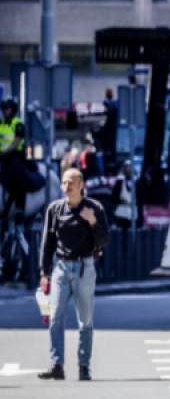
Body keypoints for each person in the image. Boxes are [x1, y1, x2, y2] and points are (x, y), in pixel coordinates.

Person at [38, 168, 110, 381]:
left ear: (81, 185)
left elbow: (105, 239)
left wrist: (92, 221)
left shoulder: (94, 208)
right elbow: (47, 242)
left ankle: (84, 366)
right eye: (64, 182)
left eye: (72, 182)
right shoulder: (55, 209)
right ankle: (56, 365)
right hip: (60, 268)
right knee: (55, 318)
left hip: (84, 268)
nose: (67, 186)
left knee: (85, 321)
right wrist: (44, 272)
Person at [0, 97, 31, 216]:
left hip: (14, 157)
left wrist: (2, 153)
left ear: (13, 110)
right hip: (1, 157)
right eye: (3, 109)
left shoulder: (18, 124)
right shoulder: (1, 123)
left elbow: (16, 143)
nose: (4, 111)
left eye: (7, 109)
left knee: (19, 180)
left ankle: (19, 209)